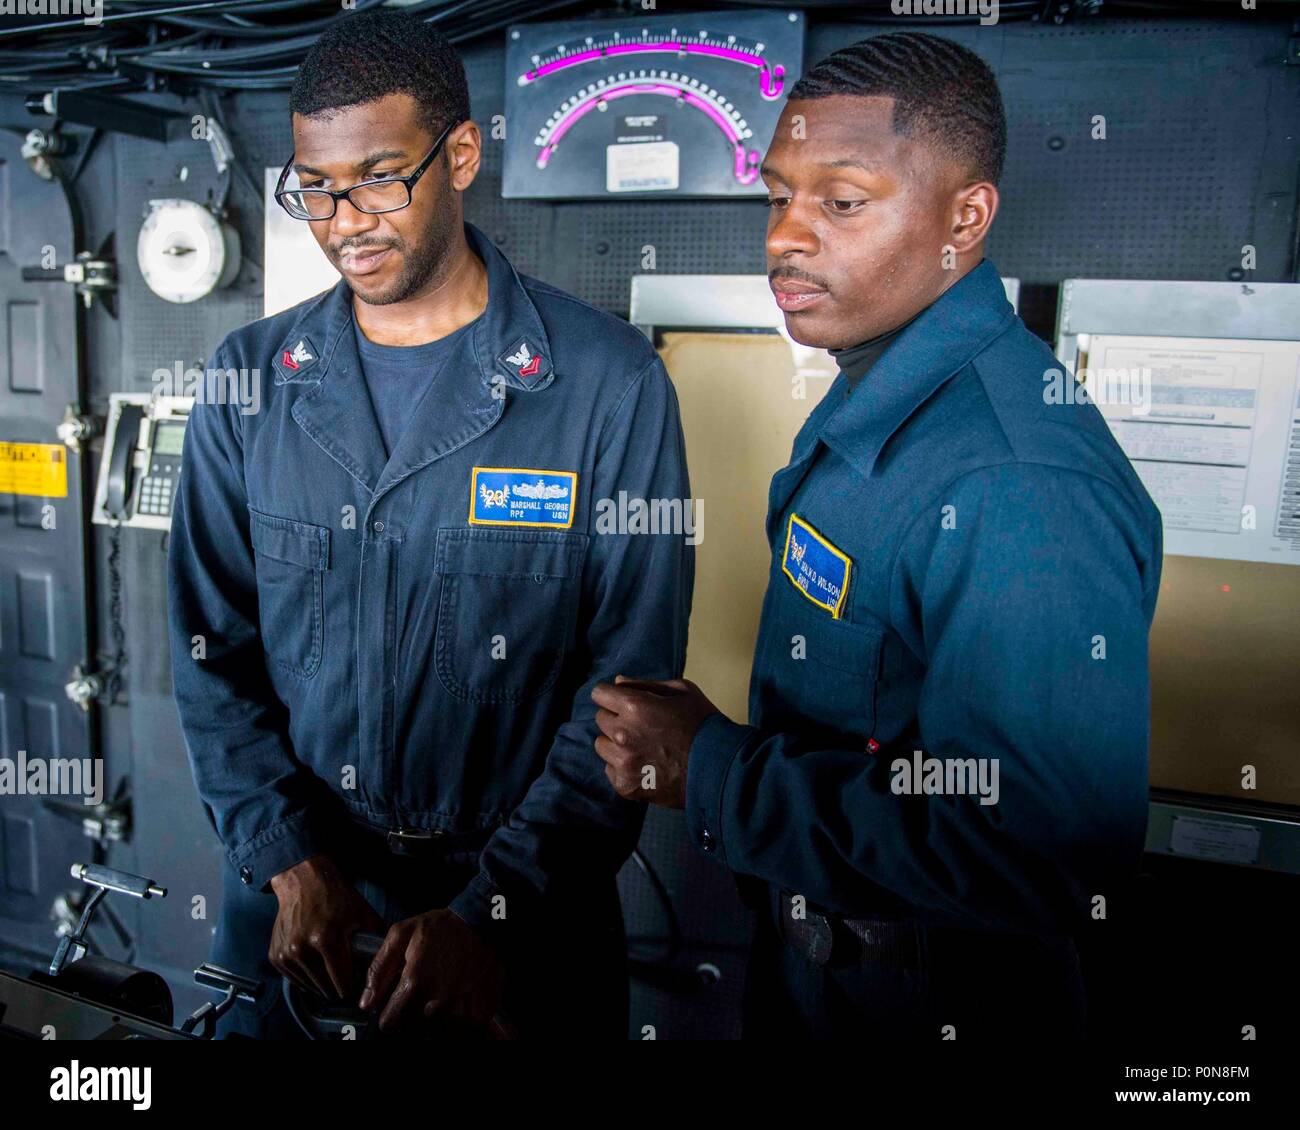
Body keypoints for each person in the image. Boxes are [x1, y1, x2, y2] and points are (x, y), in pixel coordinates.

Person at [591, 32, 1162, 1041]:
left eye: (841, 202)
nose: (784, 236)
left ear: (964, 216)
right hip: (825, 967)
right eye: (776, 196)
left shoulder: (1015, 480)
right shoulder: (890, 396)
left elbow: (1042, 852)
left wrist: (713, 768)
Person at [166, 9, 693, 1039]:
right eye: (314, 186)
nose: (344, 218)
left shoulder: (606, 386)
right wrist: (288, 859)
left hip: (521, 910)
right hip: (305, 901)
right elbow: (207, 653)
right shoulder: (247, 381)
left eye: (377, 177)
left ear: (459, 155)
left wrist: (491, 910)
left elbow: (626, 694)